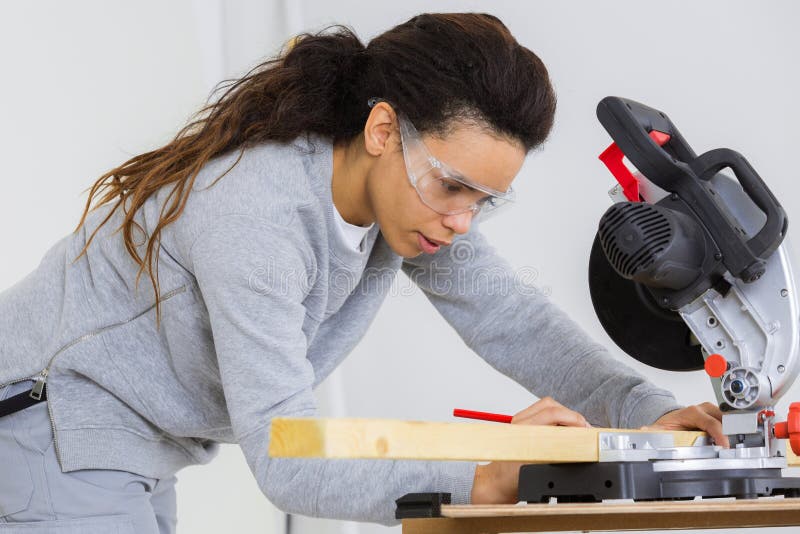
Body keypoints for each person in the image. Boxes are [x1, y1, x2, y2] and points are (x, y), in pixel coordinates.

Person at [0, 12, 728, 532]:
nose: (462, 221)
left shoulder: (403, 204)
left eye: (485, 199)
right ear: (383, 131)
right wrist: (484, 479)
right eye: (452, 187)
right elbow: (289, 459)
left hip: (130, 444)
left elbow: (513, 319)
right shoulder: (259, 214)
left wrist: (645, 411)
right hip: (52, 422)